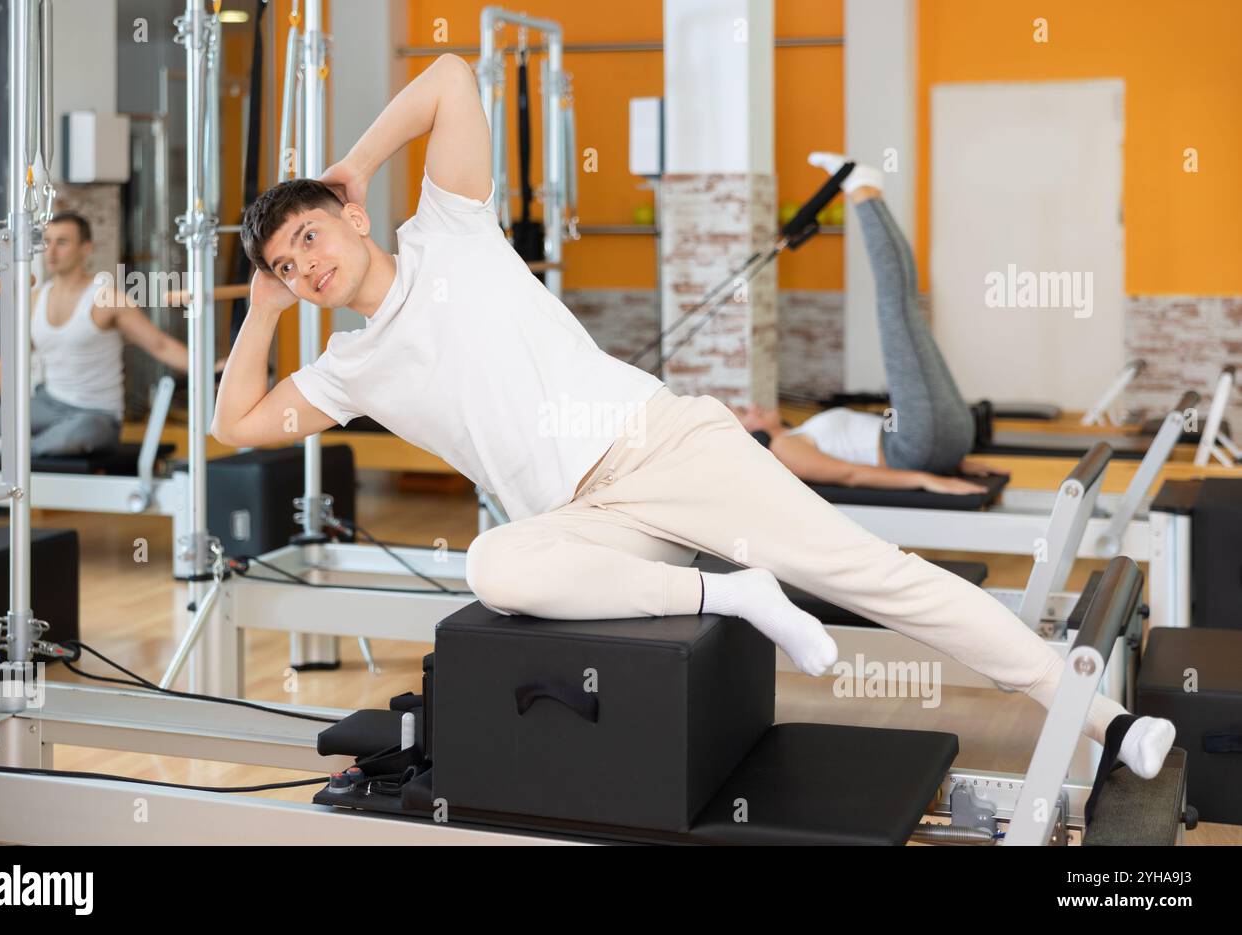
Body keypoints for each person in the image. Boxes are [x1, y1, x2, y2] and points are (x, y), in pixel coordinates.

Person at [213, 53, 1175, 779]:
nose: (308, 265)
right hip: (589, 520)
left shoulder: (447, 225)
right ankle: (736, 596)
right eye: (290, 267)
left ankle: (1107, 723)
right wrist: (261, 308)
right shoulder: (346, 368)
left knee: (880, 576)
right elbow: (235, 423)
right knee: (493, 563)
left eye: (310, 236)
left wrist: (353, 160)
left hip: (663, 446)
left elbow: (452, 77)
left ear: (353, 215)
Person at [734, 154, 997, 495]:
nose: (754, 406)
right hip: (915, 446)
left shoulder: (800, 433)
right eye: (744, 413)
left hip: (933, 442)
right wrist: (925, 478)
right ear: (750, 436)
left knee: (903, 302)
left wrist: (955, 463)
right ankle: (863, 189)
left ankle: (866, 190)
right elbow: (850, 475)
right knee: (896, 304)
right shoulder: (783, 449)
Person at [0, 212, 202, 457]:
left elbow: (160, 345)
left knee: (73, 436)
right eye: (47, 242)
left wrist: (209, 368)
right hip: (46, 405)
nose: (51, 251)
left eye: (62, 242)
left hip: (96, 415)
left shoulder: (106, 298)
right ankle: (10, 447)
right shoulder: (34, 300)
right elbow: (7, 365)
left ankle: (9, 450)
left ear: (85, 248)